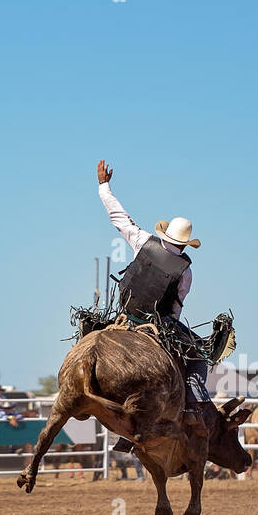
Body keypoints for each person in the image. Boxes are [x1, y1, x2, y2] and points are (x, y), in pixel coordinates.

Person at [97, 159, 215, 451]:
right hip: (157, 324)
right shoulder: (185, 271)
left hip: (123, 315)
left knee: (90, 332)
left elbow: (118, 217)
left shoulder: (142, 241)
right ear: (186, 244)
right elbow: (175, 309)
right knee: (200, 355)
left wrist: (104, 185)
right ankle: (191, 406)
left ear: (164, 234)